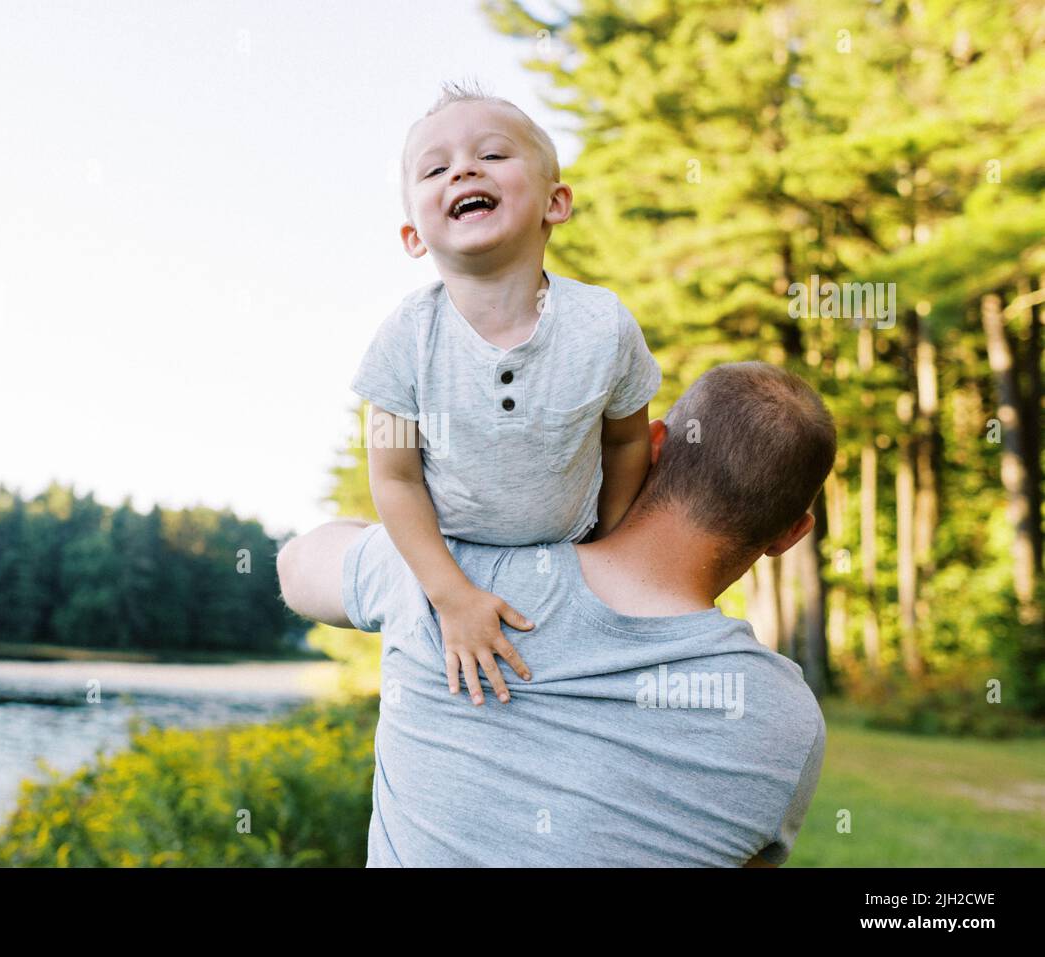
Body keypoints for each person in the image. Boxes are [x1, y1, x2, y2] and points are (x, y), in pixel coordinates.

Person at [278, 362, 835, 866]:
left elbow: (298, 567)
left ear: (656, 442)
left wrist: (409, 542)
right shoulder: (787, 721)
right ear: (791, 535)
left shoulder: (458, 575)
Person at [352, 80, 661, 707]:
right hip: (448, 553)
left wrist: (611, 544)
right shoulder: (402, 340)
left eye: (492, 156)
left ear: (556, 202)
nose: (464, 168)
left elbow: (627, 441)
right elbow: (396, 480)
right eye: (436, 168)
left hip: (569, 548)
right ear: (414, 235)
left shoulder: (604, 325)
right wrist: (451, 595)